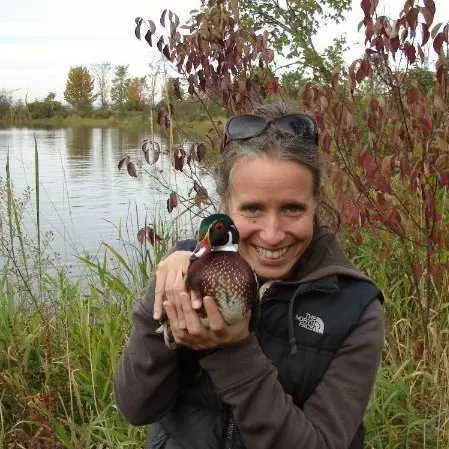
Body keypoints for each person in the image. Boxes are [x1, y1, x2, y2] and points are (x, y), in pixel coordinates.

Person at [113, 102, 385, 449]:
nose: (272, 234)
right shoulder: (183, 269)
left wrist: (231, 351)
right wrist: (161, 312)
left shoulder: (354, 307)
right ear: (226, 203)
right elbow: (136, 407)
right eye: (253, 208)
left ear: (316, 202)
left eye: (292, 208)